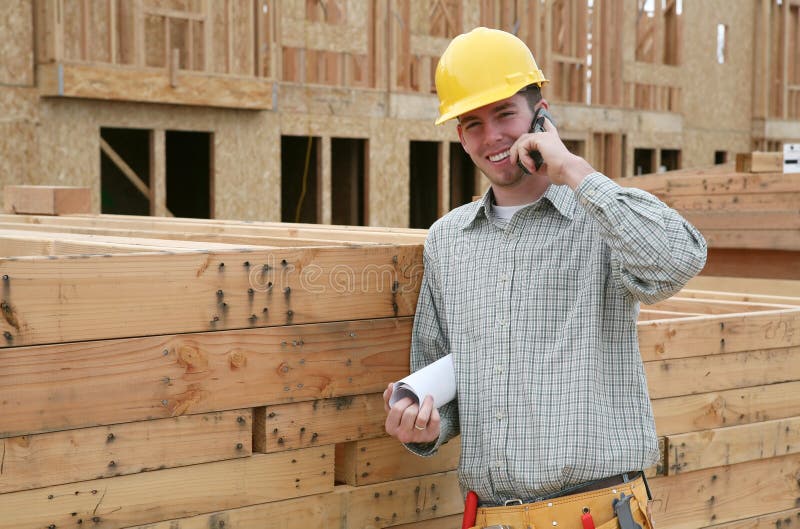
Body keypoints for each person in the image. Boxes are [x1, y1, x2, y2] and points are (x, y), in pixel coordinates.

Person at [383, 27, 707, 529]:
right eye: (473, 123)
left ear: (541, 113)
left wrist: (573, 169)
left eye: (505, 113)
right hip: (491, 517)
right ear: (459, 136)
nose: (491, 136)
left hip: (596, 515)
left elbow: (679, 259)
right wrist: (423, 427)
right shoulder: (449, 241)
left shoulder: (599, 218)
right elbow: (440, 374)